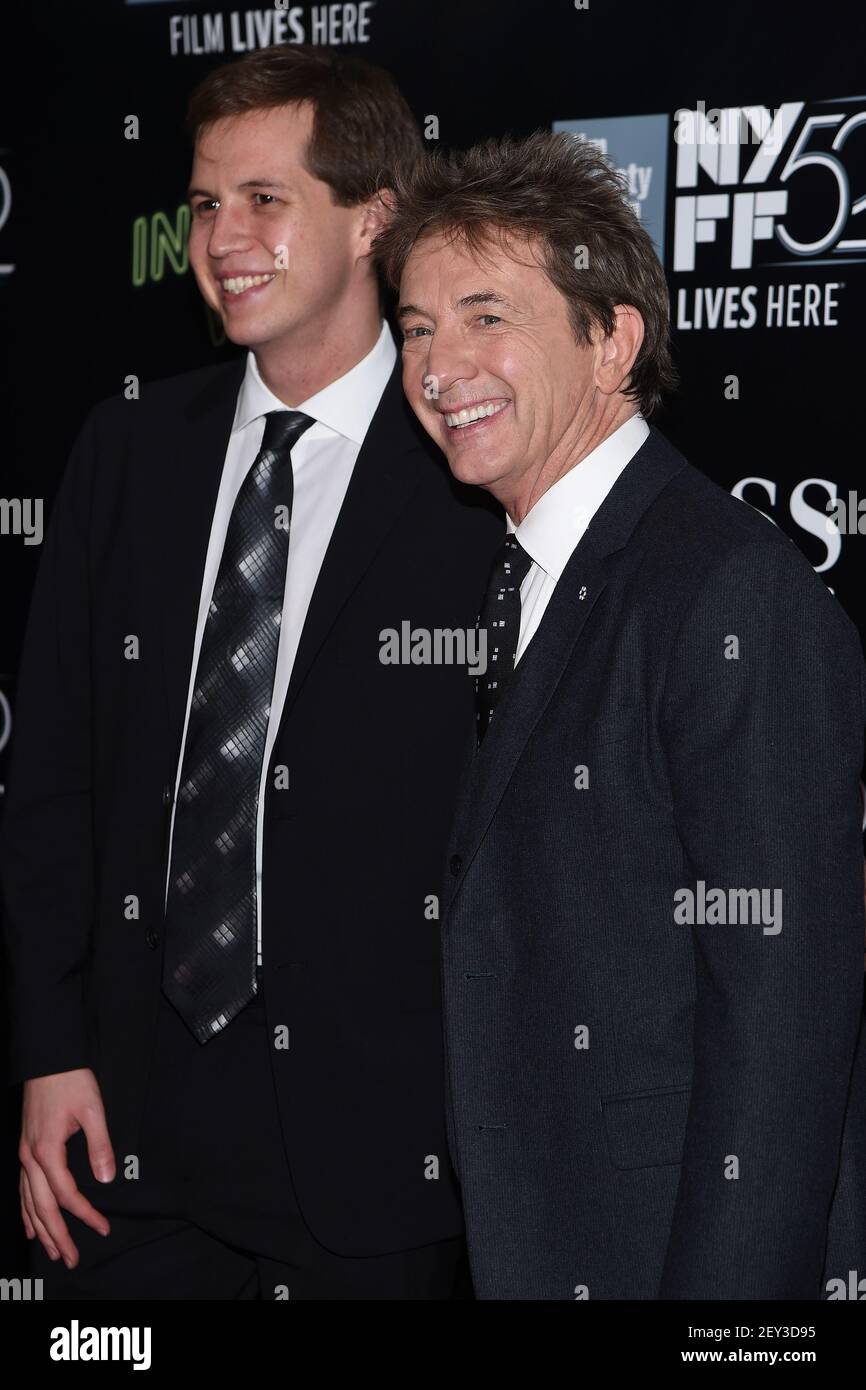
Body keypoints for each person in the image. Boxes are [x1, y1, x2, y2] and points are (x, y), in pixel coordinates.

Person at [1, 44, 501, 1300]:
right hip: (128, 1134)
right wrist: (49, 1050)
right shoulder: (126, 452)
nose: (223, 236)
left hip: (379, 1154)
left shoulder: (472, 465)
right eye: (206, 203)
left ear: (372, 216)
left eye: (266, 199)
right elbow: (55, 776)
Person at [373, 129, 866, 1299]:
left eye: (487, 316)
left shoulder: (725, 590)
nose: (440, 365)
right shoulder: (520, 570)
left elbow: (783, 1028)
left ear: (612, 342)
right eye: (415, 328)